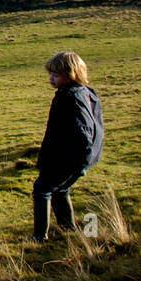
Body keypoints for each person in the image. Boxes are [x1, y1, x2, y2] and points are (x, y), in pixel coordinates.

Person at [30, 51, 103, 242]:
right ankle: (68, 229)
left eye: (56, 75)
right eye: (50, 74)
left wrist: (79, 158)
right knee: (60, 190)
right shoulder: (85, 93)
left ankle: (39, 237)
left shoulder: (70, 97)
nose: (51, 79)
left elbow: (84, 130)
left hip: (67, 158)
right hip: (76, 158)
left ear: (71, 74)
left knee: (42, 189)